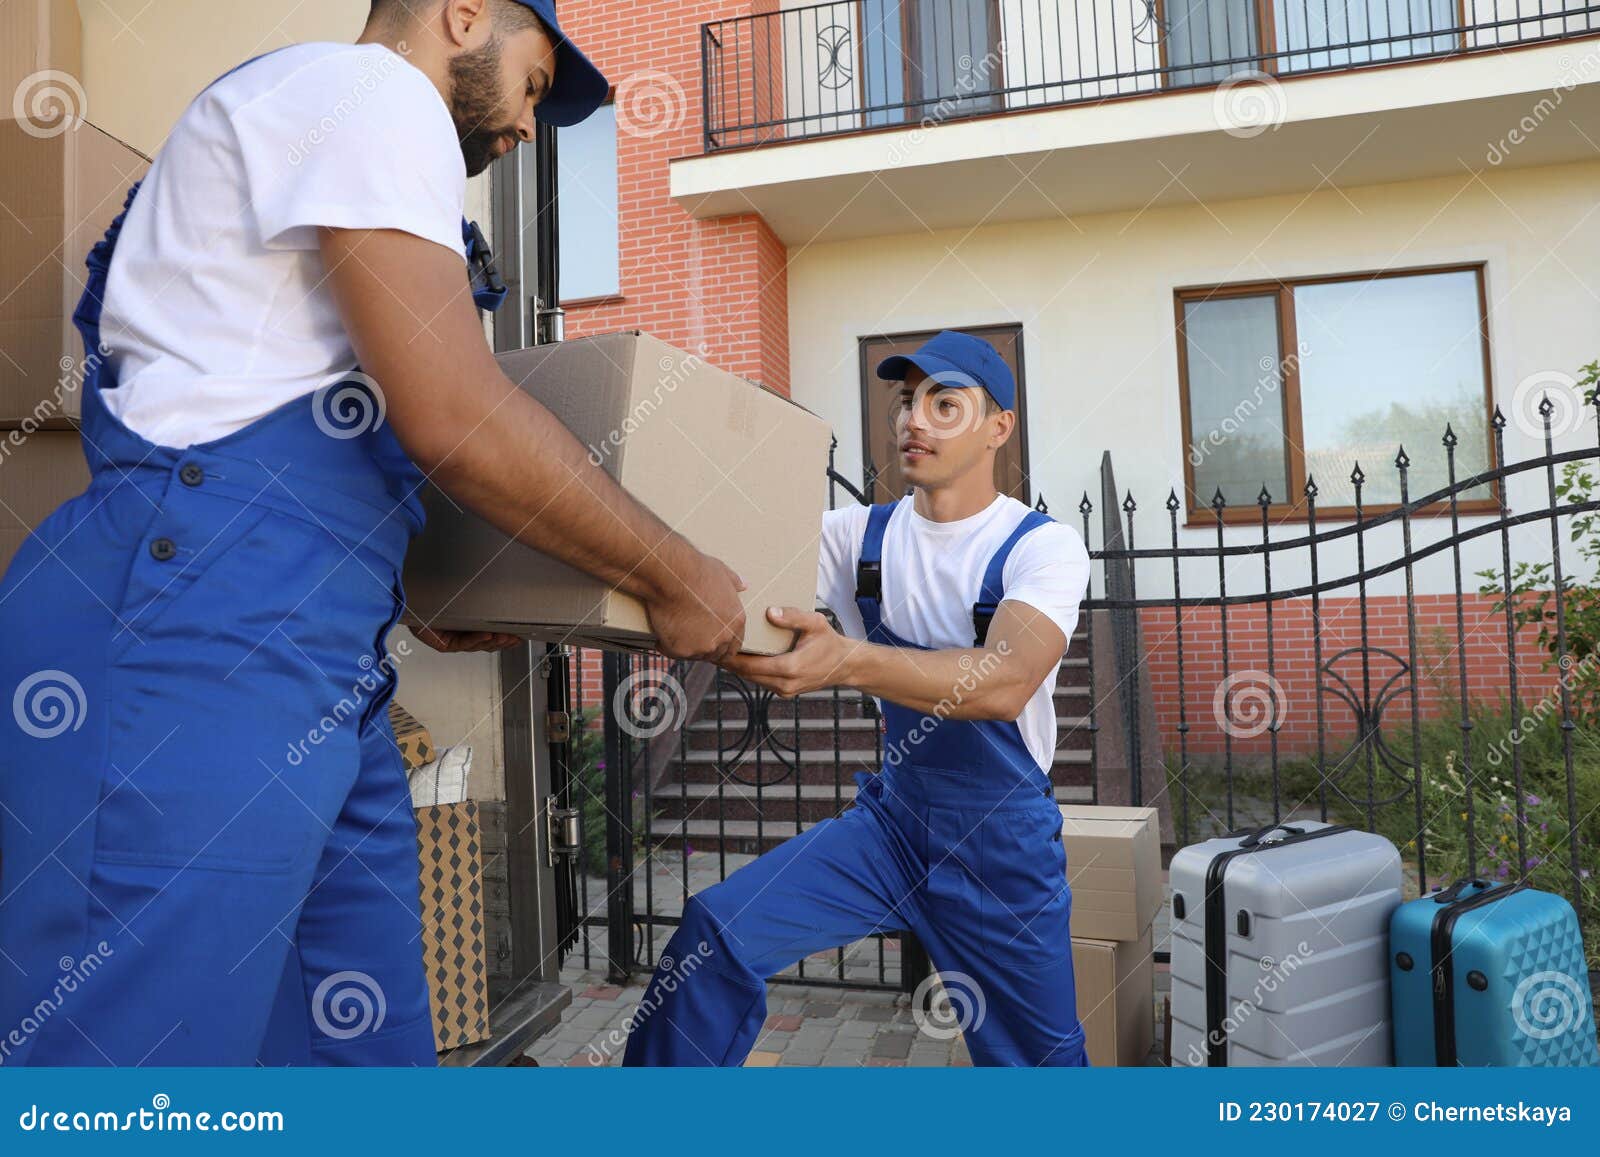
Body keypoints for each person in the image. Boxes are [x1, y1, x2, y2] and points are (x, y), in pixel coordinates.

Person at [0, 0, 744, 1067]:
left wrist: (409, 589)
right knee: (132, 1066)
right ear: (460, 15)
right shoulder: (368, 92)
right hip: (194, 633)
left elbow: (310, 403)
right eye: (534, 87)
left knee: (362, 1050)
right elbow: (453, 412)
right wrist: (678, 576)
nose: (529, 130)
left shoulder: (309, 122)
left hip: (302, 651)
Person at [623, 331, 1092, 1067]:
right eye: (907, 402)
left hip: (998, 847)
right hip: (893, 827)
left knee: (1041, 1067)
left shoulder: (1041, 547)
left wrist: (846, 659)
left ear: (999, 426)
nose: (914, 419)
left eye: (945, 403)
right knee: (714, 934)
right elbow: (733, 593)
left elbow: (1005, 680)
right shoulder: (855, 538)